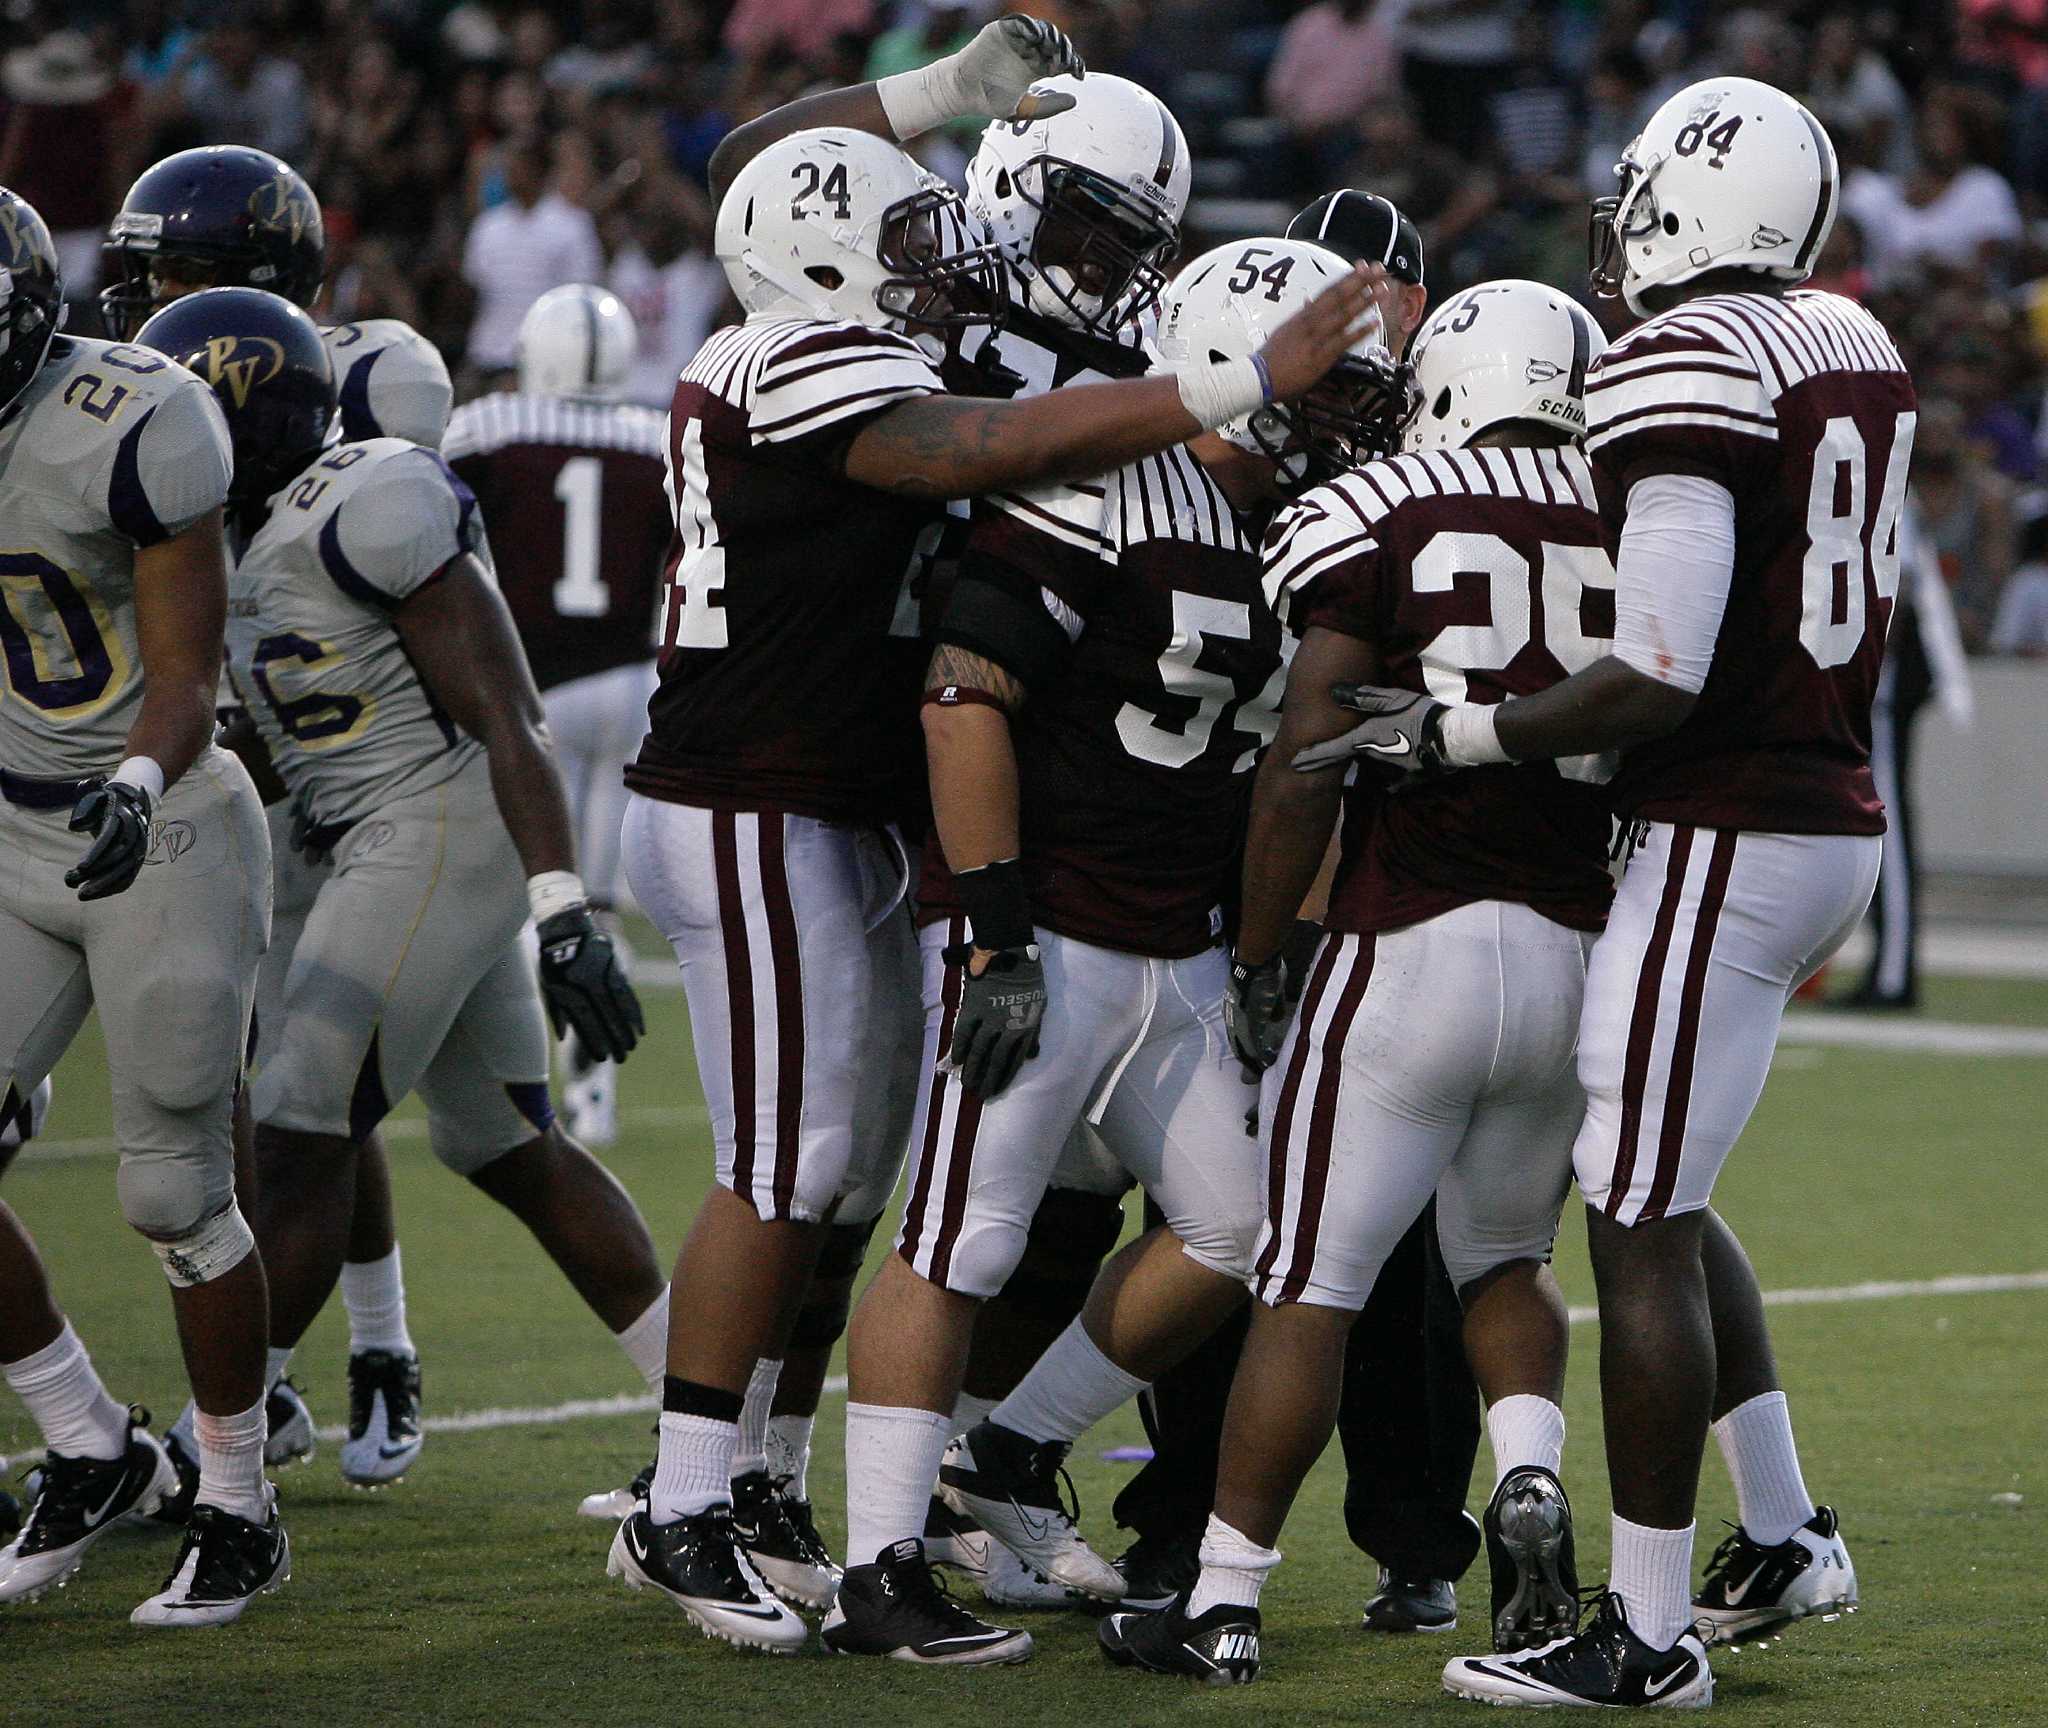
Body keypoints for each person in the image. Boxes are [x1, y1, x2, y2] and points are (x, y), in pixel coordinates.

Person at [602, 102, 1380, 1657]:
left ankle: (847, 1475)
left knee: (860, 1177)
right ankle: (696, 1498)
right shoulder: (811, 354)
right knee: (808, 1169)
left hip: (887, 820)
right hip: (772, 793)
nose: (934, 263)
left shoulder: (1144, 445)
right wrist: (945, 88)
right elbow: (989, 460)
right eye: (899, 240)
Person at [1318, 80, 1899, 1708]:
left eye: (1637, 197)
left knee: (1630, 1210)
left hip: (1723, 821)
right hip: (1816, 809)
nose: (1611, 225)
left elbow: (1649, 666)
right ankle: (1776, 1528)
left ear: (1680, 211)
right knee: (1662, 1169)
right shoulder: (1847, 341)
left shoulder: (1687, 360)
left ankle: (1640, 1633)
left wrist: (1459, 725)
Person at [676, 25, 1213, 1617]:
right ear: (1012, 178)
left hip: (997, 775)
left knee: (996, 1169)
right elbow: (751, 180)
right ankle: (747, 1469)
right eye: (1092, 222)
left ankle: (936, 1471)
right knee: (843, 1173)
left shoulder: (1095, 353)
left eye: (1138, 244)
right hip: (863, 754)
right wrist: (929, 94)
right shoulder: (904, 280)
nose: (1106, 266)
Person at [864, 234, 1405, 1660]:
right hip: (1056, 930)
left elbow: (1339, 740)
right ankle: (876, 1562)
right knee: (957, 1240)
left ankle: (1005, 1458)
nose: (1355, 417)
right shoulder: (1104, 485)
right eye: (1340, 389)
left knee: (1243, 1233)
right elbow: (961, 696)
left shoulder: (1317, 534)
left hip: (1190, 955)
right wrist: (993, 934)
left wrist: (1460, 721)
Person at [1100, 279, 1613, 1684]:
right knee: (1504, 1258)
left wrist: (1262, 954)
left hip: (1410, 939)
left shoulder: (1381, 507)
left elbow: (1302, 765)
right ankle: (1524, 1470)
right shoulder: (1643, 511)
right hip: (1575, 952)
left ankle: (1222, 1596)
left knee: (1306, 1283)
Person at [139, 287, 665, 1499]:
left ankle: (216, 1440)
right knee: (508, 1147)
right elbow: (295, 727)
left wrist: (563, 908)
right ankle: (709, 1423)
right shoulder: (255, 533)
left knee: (294, 1128)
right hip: (387, 833)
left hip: (436, 832)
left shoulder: (365, 499)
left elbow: (503, 712)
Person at [1109, 187, 1487, 1636]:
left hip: (1373, 879)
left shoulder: (1428, 460)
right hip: (1220, 869)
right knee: (1208, 1217)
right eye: (1337, 293)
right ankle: (1172, 1520)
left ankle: (1416, 1538)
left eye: (1381, 290)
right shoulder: (1218, 448)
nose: (1362, 315)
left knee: (1392, 1244)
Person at [102, 142, 454, 1481]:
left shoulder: (373, 378)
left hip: (338, 788)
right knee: (280, 1104)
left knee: (316, 1108)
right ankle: (316, 1374)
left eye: (173, 276)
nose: (144, 306)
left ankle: (364, 1354)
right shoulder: (134, 393)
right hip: (228, 759)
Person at [0, 190, 286, 1627]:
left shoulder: (132, 416)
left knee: (176, 1190)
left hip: (159, 816)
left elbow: (187, 669)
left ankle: (236, 1497)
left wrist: (126, 777)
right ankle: (89, 1441)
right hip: (8, 822)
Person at [446, 285, 670, 1143]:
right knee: (599, 901)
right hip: (628, 682)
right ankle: (595, 1096)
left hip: (526, 688)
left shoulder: (490, 428)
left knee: (548, 895)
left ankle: (537, 1077)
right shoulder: (656, 436)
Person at [462, 136, 604, 379]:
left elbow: (582, 296)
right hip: (488, 353)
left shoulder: (572, 225)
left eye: (518, 166)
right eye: (507, 166)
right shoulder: (488, 225)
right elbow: (475, 286)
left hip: (547, 361)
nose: (510, 173)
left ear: (539, 169)